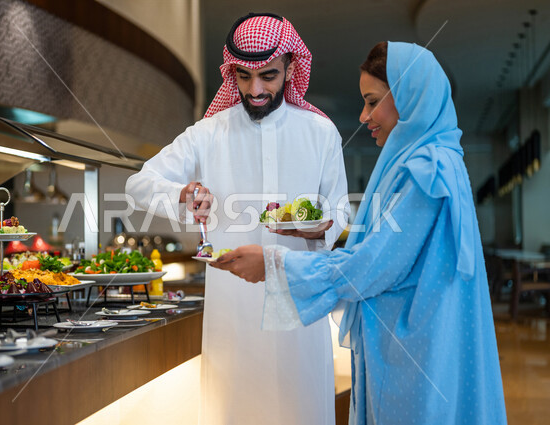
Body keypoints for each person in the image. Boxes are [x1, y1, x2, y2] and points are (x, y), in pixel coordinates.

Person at [214, 41, 507, 424]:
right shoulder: (434, 160)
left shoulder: (426, 171)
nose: (364, 115)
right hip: (424, 345)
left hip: (415, 357)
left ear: (409, 98)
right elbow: (397, 250)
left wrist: (272, 263)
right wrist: (320, 234)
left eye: (372, 101)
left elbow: (372, 266)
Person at [125, 13, 350, 425]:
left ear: (290, 68)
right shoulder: (207, 133)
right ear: (231, 72)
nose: (256, 89)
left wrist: (314, 225)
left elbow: (338, 212)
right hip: (234, 318)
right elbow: (138, 184)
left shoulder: (321, 133)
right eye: (244, 77)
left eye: (268, 75)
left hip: (300, 310)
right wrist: (182, 193)